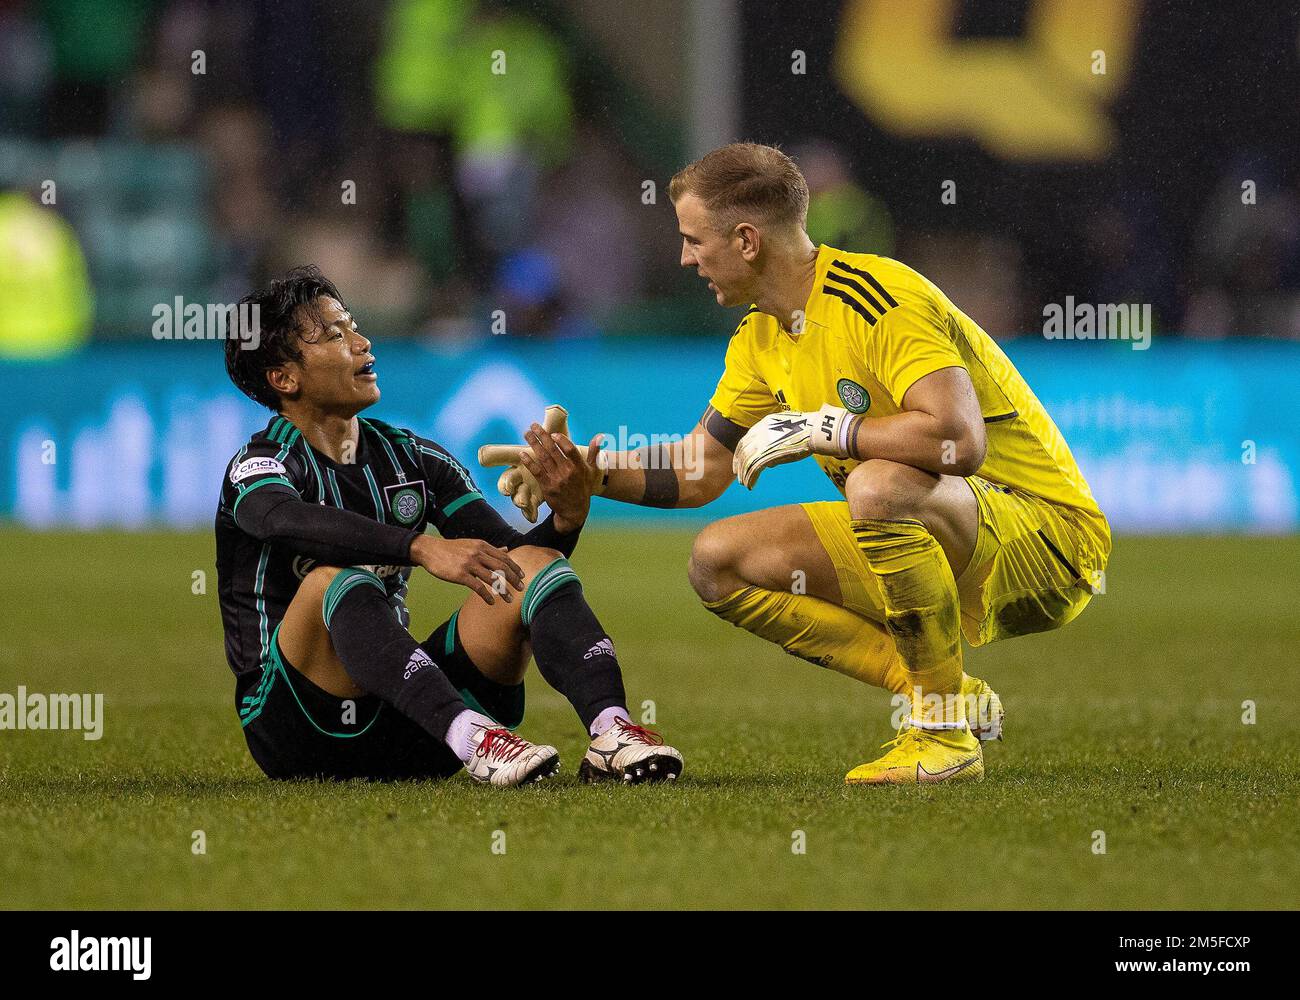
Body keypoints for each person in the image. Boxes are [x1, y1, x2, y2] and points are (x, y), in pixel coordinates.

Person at [570, 143, 1110, 784]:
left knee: (876, 487)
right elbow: (702, 466)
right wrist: (589, 473)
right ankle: (940, 690)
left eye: (694, 239)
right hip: (940, 526)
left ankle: (943, 738)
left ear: (746, 240)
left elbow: (959, 442)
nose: (686, 258)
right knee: (717, 561)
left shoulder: (877, 298)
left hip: (1048, 538)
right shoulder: (760, 335)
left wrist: (831, 429)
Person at [216, 266, 682, 787]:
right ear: (284, 378)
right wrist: (418, 548)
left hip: (408, 719)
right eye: (334, 335)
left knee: (533, 566)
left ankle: (611, 732)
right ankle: (475, 738)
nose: (362, 342)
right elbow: (280, 518)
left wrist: (567, 516)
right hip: (296, 728)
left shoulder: (411, 457)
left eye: (353, 325)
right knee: (334, 580)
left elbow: (513, 570)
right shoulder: (259, 463)